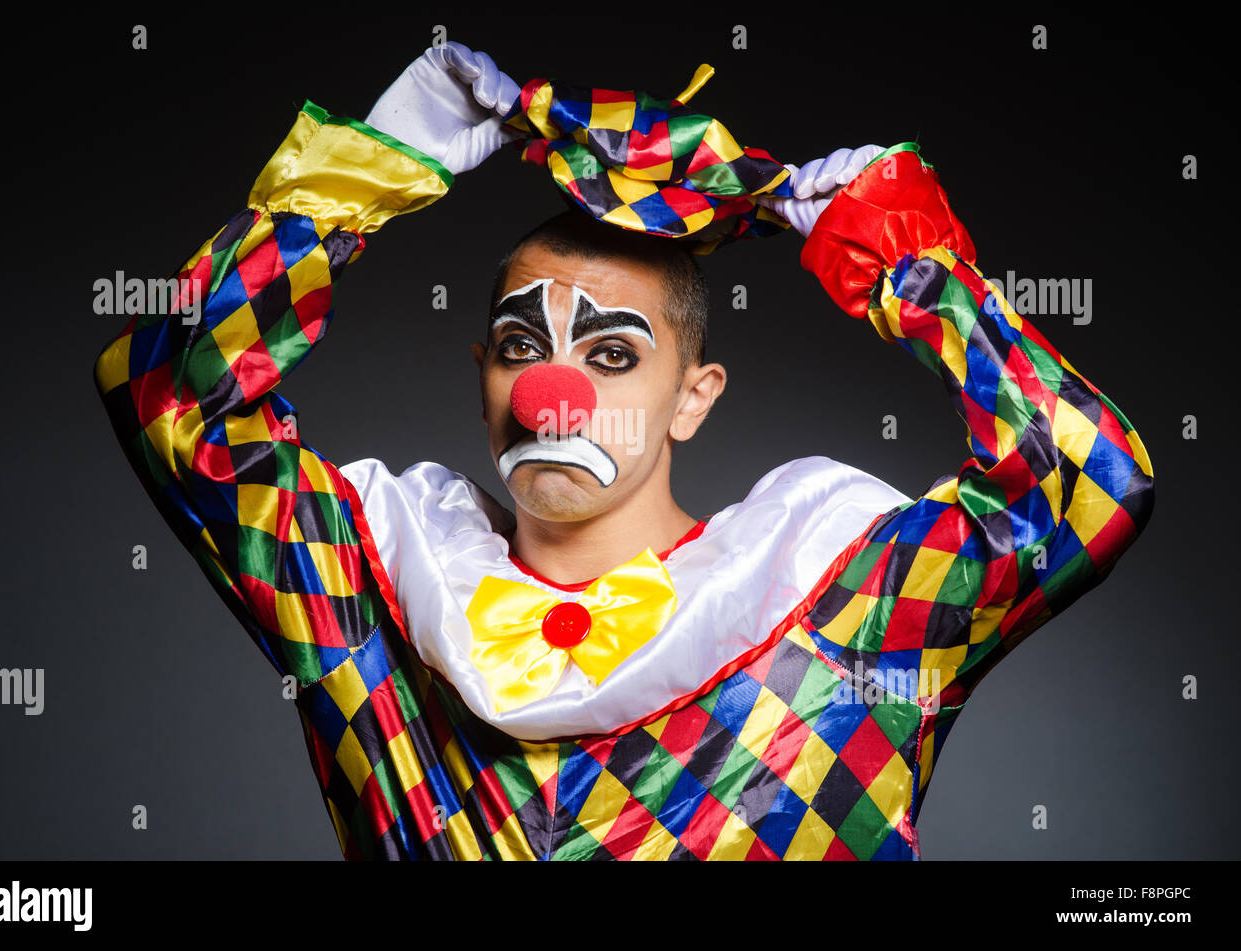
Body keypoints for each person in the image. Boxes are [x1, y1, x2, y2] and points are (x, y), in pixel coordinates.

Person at [94, 41, 1155, 860]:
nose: (555, 393)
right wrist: (359, 179)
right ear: (481, 378)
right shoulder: (364, 584)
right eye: (522, 346)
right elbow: (171, 395)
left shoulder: (844, 601)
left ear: (694, 398)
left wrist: (903, 266)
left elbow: (1087, 481)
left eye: (610, 354)